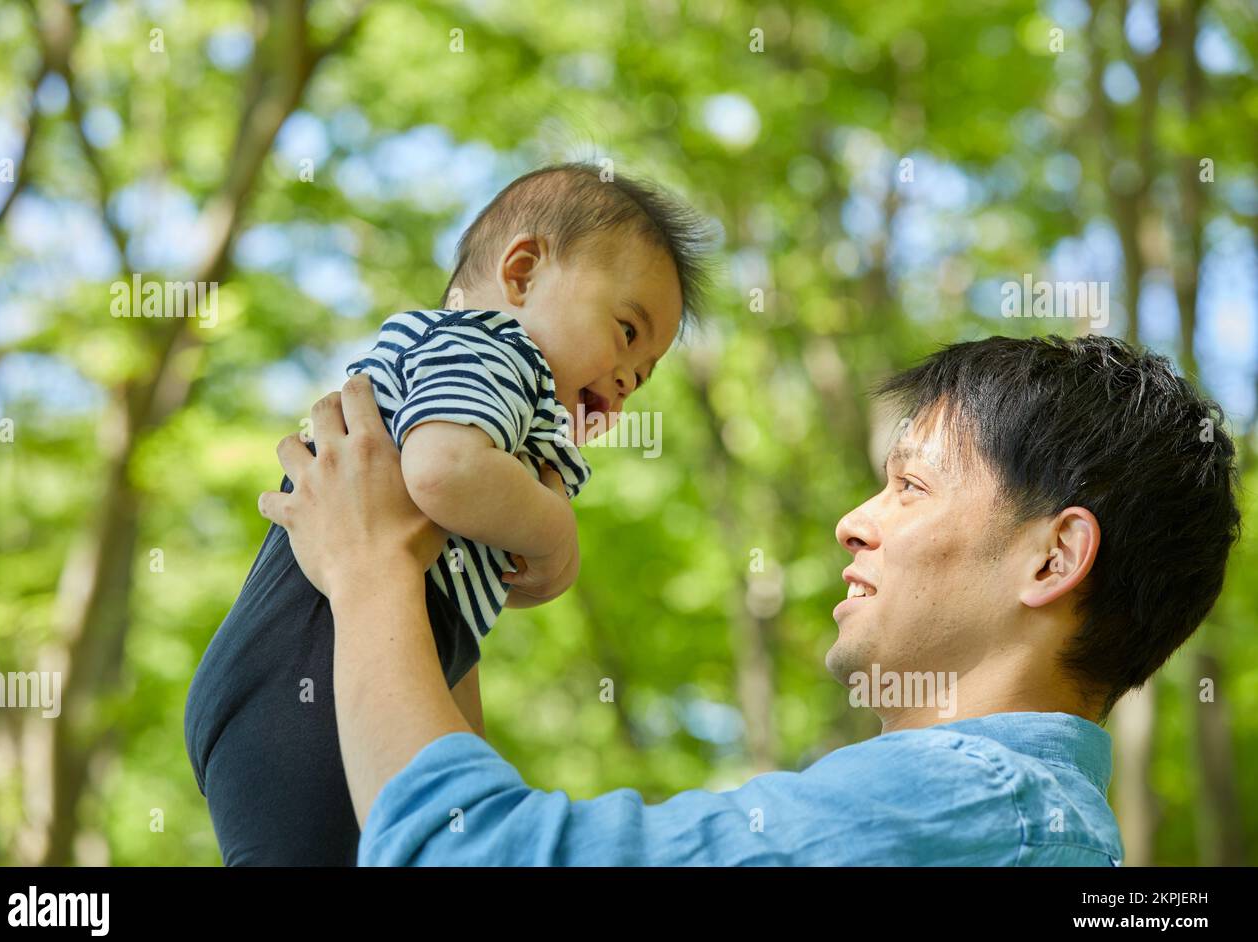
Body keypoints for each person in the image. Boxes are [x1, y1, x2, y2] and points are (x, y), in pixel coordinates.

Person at [258, 335, 1241, 865]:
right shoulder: (1006, 820)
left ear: (1052, 556)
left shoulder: (973, 806)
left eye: (910, 485)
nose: (853, 522)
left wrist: (371, 569)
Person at [184, 163, 711, 865]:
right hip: (301, 670)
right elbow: (441, 472)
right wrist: (556, 538)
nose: (624, 382)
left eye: (642, 377)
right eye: (625, 332)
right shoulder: (493, 347)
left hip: (312, 667)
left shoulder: (504, 425)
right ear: (522, 275)